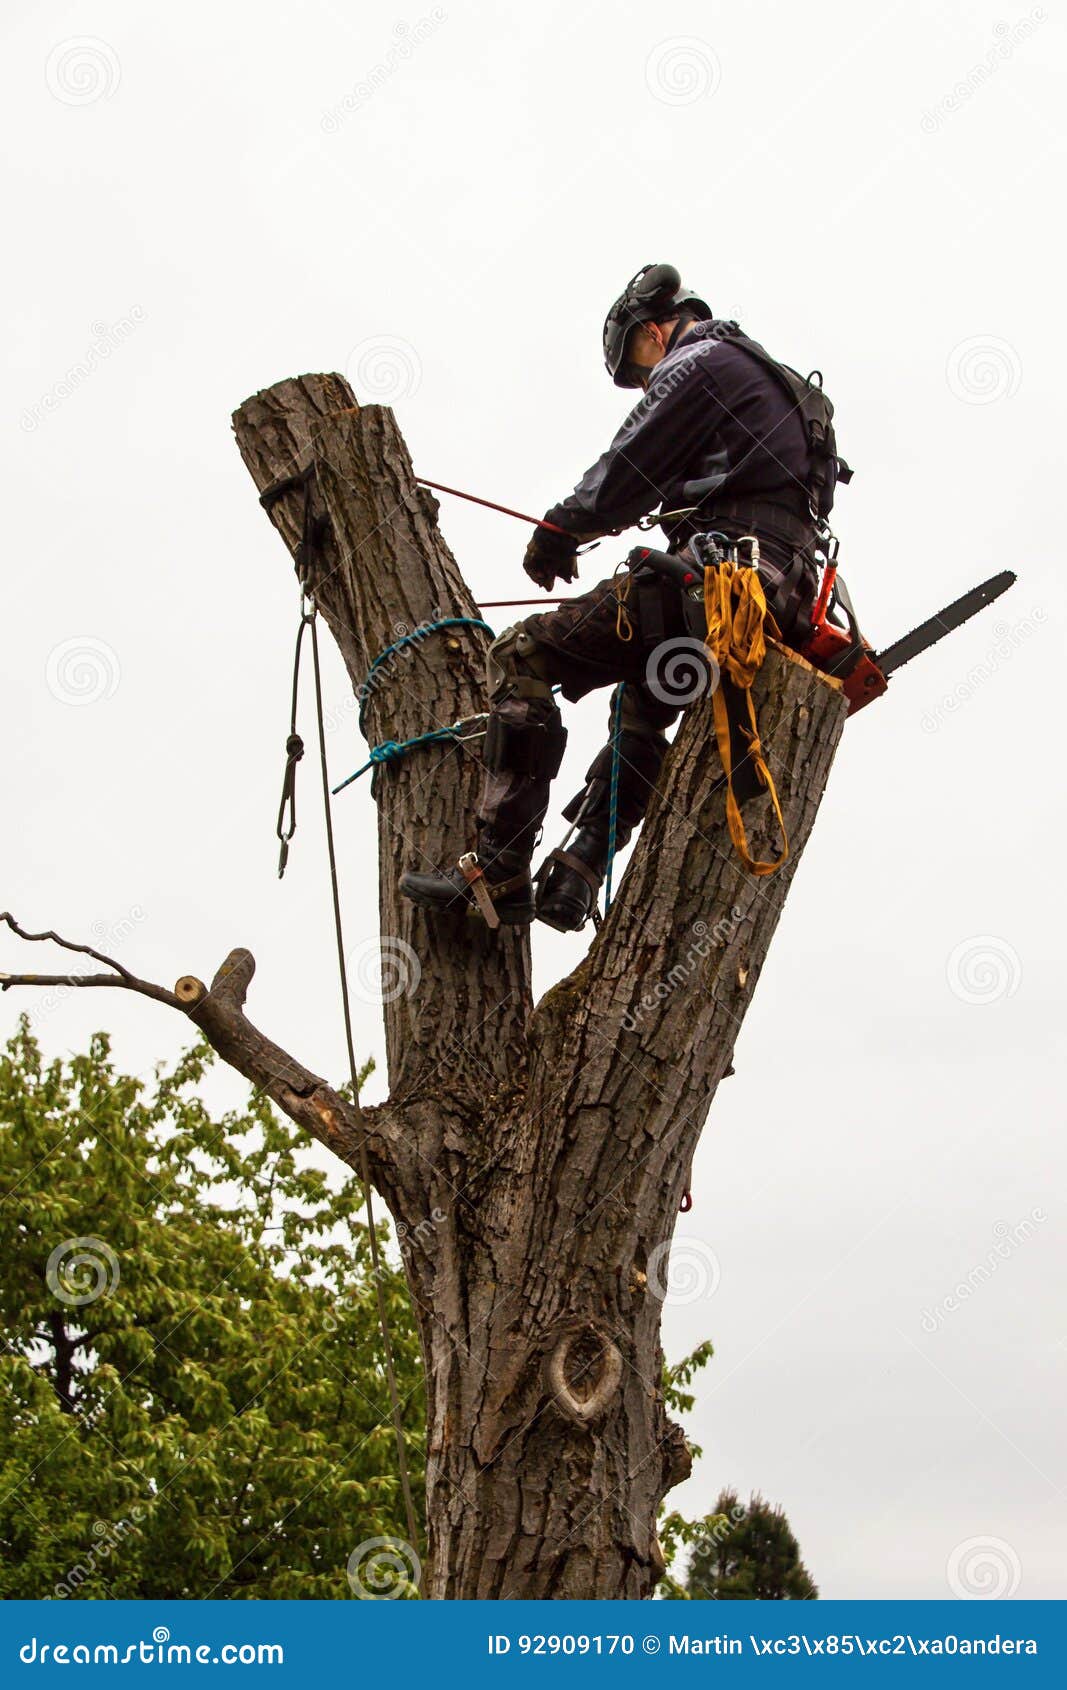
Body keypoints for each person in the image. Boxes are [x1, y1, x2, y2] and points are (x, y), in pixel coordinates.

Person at [400, 263, 850, 930]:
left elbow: (628, 466)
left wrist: (559, 529)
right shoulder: (770, 382)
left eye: (638, 370)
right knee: (643, 697)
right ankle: (577, 872)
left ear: (649, 331)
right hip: (769, 595)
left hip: (718, 581)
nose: (643, 383)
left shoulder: (700, 360)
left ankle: (495, 869)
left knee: (522, 654)